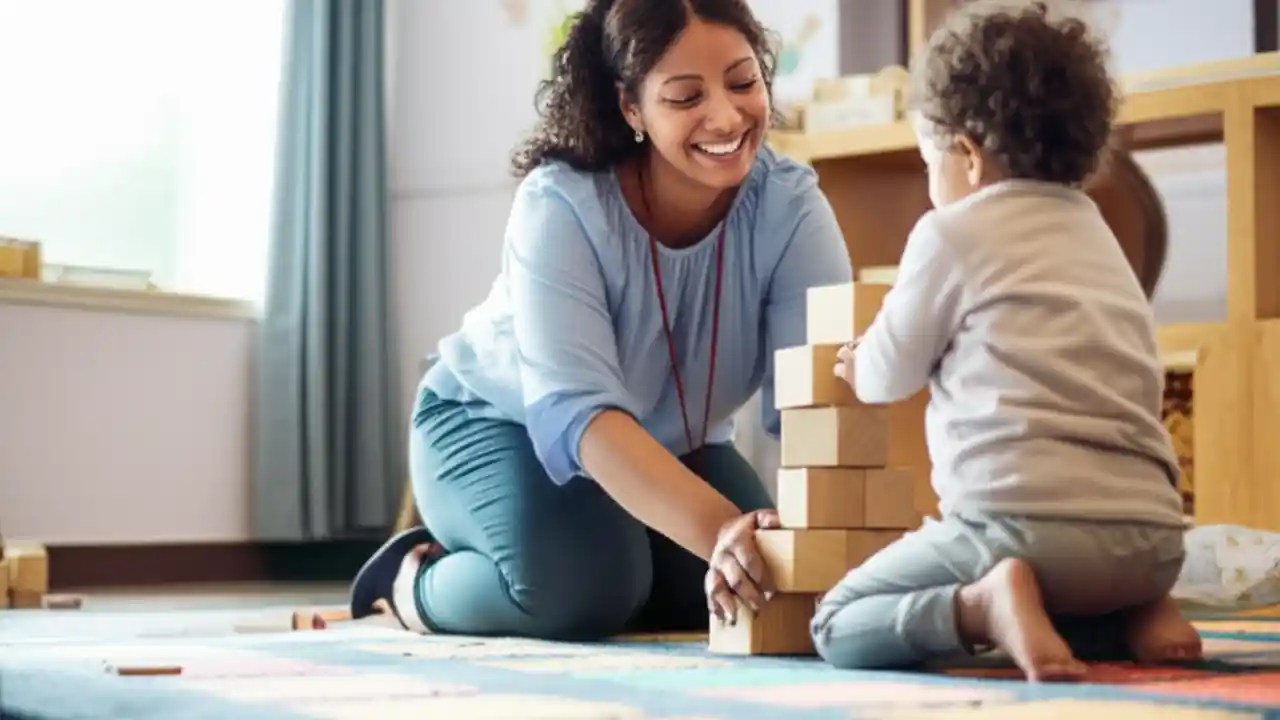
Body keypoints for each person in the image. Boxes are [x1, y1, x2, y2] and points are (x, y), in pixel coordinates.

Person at [348, 0, 852, 640]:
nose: (726, 116)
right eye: (685, 96)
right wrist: (723, 530)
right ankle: (411, 582)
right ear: (631, 106)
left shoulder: (791, 206)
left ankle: (611, 552)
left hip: (672, 443)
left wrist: (830, 540)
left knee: (761, 588)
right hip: (497, 424)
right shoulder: (561, 204)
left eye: (743, 82)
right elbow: (579, 414)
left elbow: (816, 404)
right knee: (584, 593)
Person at [811, 1, 1203, 681]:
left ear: (964, 155)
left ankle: (982, 607)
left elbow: (887, 374)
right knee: (1076, 580)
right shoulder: (1099, 236)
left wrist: (856, 360)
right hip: (1154, 542)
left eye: (928, 157)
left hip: (1019, 530)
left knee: (838, 621)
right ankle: (1136, 611)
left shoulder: (950, 234)